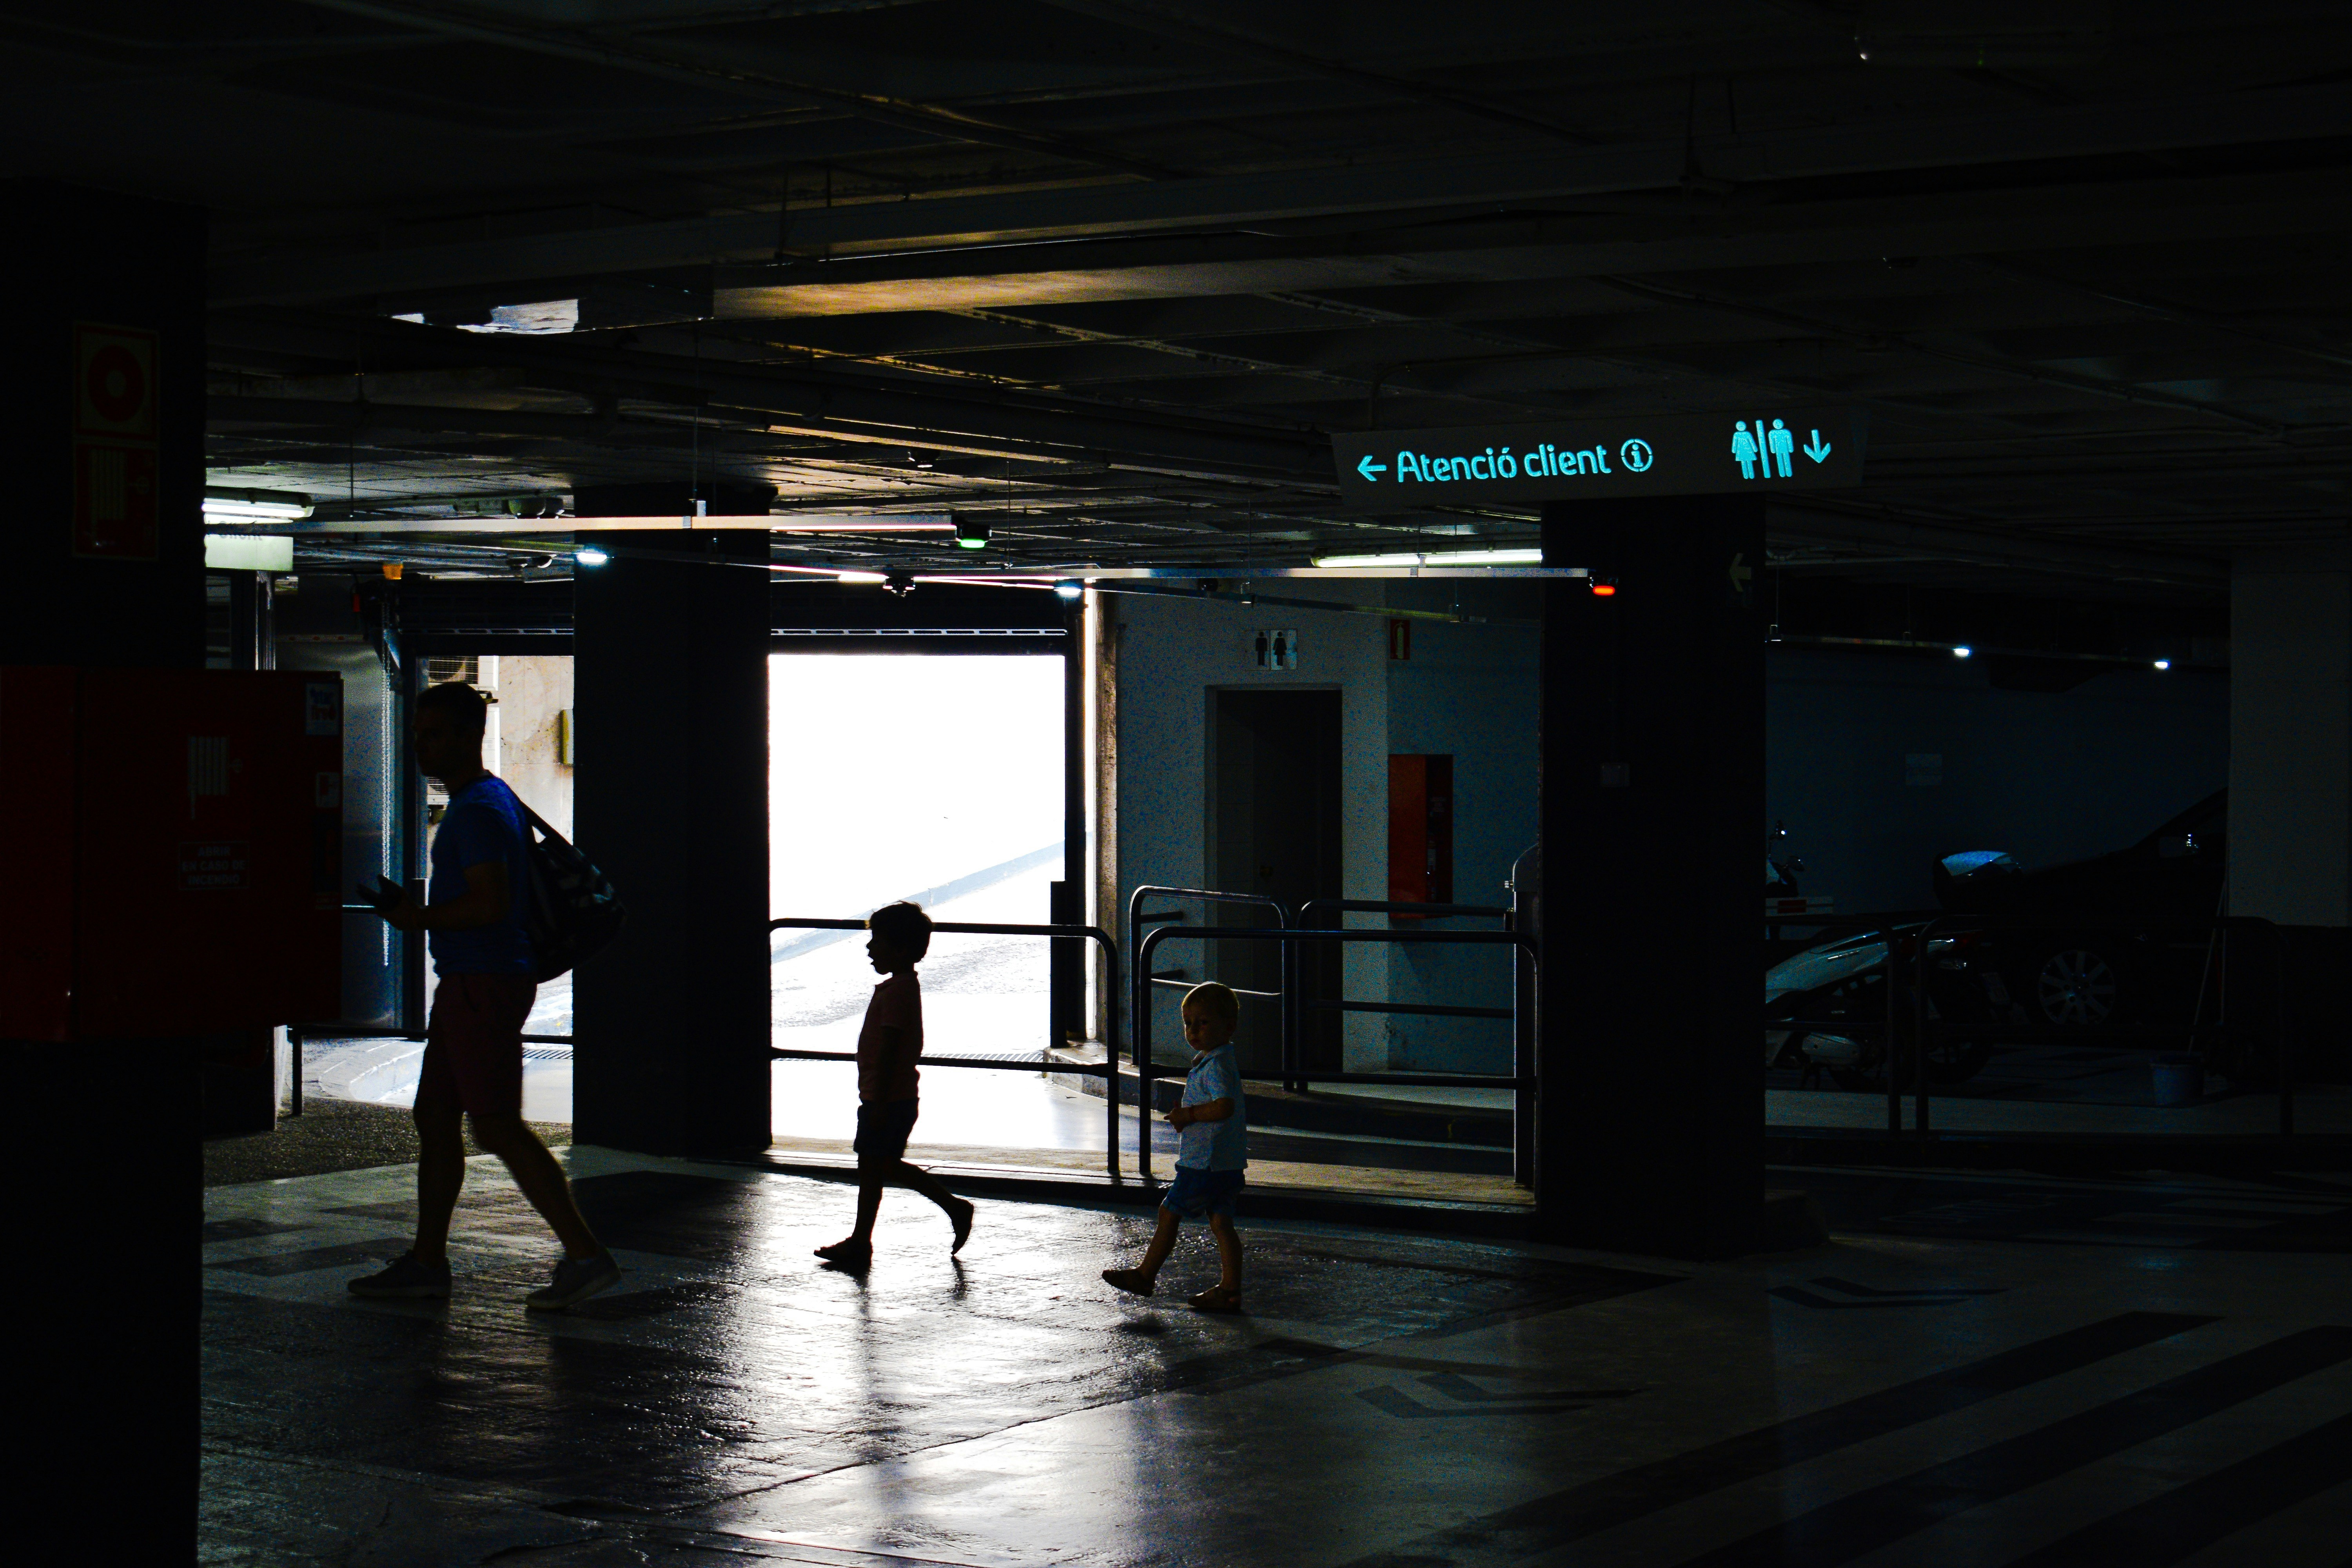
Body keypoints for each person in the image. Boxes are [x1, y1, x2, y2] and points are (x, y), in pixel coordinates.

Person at [348, 681, 620, 1311]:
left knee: (497, 1125)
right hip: (470, 985)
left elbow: (491, 903)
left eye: (434, 734)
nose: (421, 746)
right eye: (417, 734)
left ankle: (585, 1256)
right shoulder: (492, 797)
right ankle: (426, 1260)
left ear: (469, 735)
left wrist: (415, 918)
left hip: (483, 984)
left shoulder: (475, 812)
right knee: (436, 1118)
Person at [815, 901, 976, 1268]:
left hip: (888, 1097)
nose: (870, 948)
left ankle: (952, 1208)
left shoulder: (899, 992)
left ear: (900, 949)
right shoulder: (899, 988)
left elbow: (889, 1050)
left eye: (877, 941)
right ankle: (862, 1240)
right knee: (876, 1167)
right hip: (889, 1095)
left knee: (879, 1165)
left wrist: (879, 1102)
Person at [1102, 982, 1247, 1313]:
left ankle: (1146, 1275)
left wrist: (1188, 1115)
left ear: (1229, 1027)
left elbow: (1224, 1107)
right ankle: (1230, 1289)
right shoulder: (1219, 1061)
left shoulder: (1216, 1066)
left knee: (1169, 1213)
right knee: (1222, 1224)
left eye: (1203, 1022)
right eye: (1188, 1022)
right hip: (1228, 1163)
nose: (1193, 1030)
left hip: (1204, 1163)